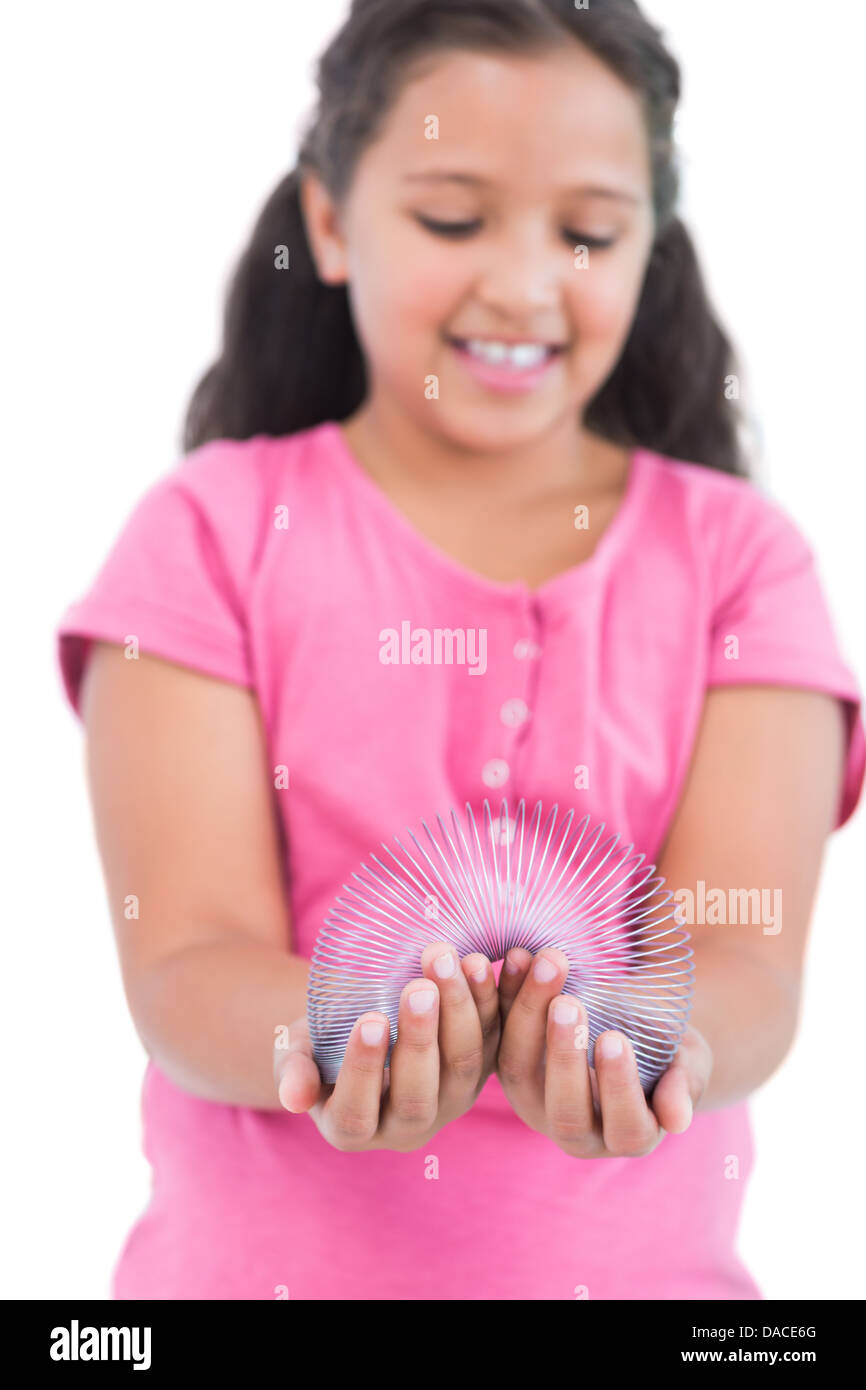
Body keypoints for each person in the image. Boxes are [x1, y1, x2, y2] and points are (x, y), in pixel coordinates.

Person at [55, 0, 864, 1300]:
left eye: (588, 233)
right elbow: (185, 954)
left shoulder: (742, 564)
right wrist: (341, 1041)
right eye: (451, 219)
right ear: (328, 218)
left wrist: (653, 1050)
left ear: (648, 246)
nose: (523, 284)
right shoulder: (205, 536)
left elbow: (746, 963)